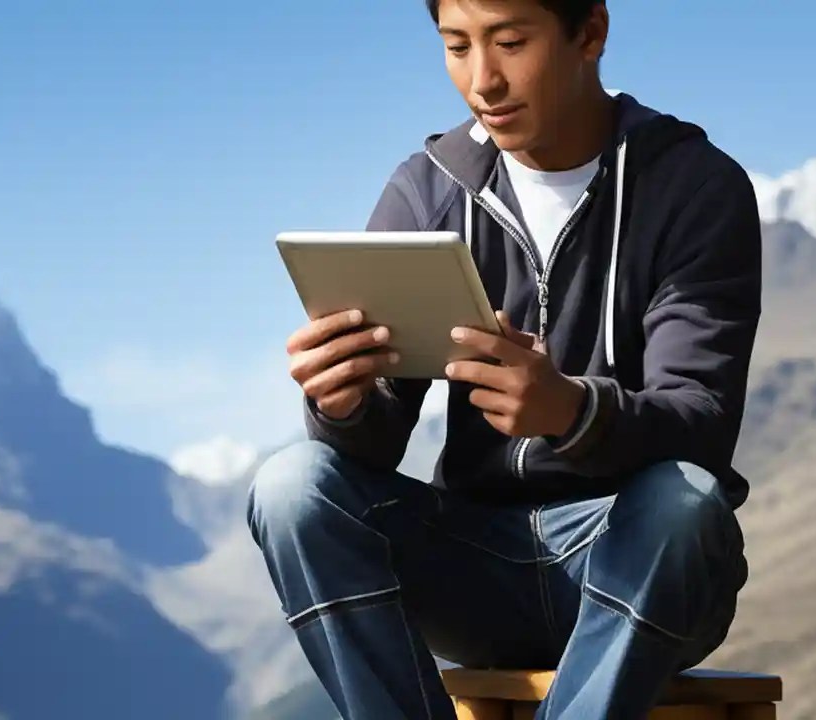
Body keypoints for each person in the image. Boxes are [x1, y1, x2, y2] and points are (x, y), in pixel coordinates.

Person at [246, 0, 762, 717]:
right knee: (292, 486)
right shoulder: (428, 189)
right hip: (474, 566)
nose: (482, 79)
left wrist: (572, 412)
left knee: (685, 502)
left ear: (591, 32)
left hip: (640, 557)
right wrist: (344, 406)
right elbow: (373, 443)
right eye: (456, 46)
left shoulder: (695, 187)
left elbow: (701, 422)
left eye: (510, 42)